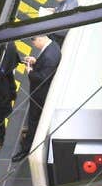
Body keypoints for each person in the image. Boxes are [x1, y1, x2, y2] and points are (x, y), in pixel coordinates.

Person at [9, 34, 62, 165]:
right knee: (33, 120)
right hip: (42, 92)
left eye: (33, 42)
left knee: (33, 120)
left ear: (39, 39)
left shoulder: (50, 56)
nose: (33, 45)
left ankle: (26, 149)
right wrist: (35, 61)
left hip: (40, 95)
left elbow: (42, 76)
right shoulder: (53, 47)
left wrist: (30, 71)